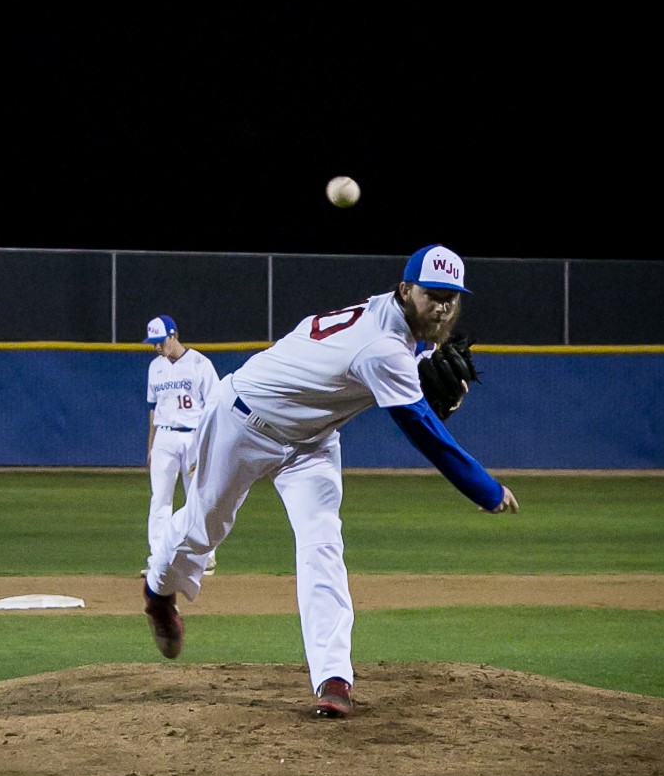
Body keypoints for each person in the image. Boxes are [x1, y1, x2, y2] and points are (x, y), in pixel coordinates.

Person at [142, 245, 519, 718]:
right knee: (204, 527)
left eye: (452, 297)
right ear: (406, 290)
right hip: (242, 420)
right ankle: (158, 592)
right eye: (433, 294)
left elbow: (406, 367)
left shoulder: (396, 323)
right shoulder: (383, 348)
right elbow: (423, 432)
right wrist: (484, 488)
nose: (443, 306)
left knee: (323, 541)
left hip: (311, 441)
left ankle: (333, 676)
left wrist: (423, 374)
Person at [141, 315, 222, 578]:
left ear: (173, 335)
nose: (157, 347)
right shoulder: (155, 367)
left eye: (160, 341)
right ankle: (159, 558)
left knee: (197, 497)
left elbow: (214, 408)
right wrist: (151, 445)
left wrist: (207, 446)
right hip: (164, 436)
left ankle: (205, 556)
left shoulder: (200, 364)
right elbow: (153, 409)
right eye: (153, 343)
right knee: (160, 500)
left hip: (194, 436)